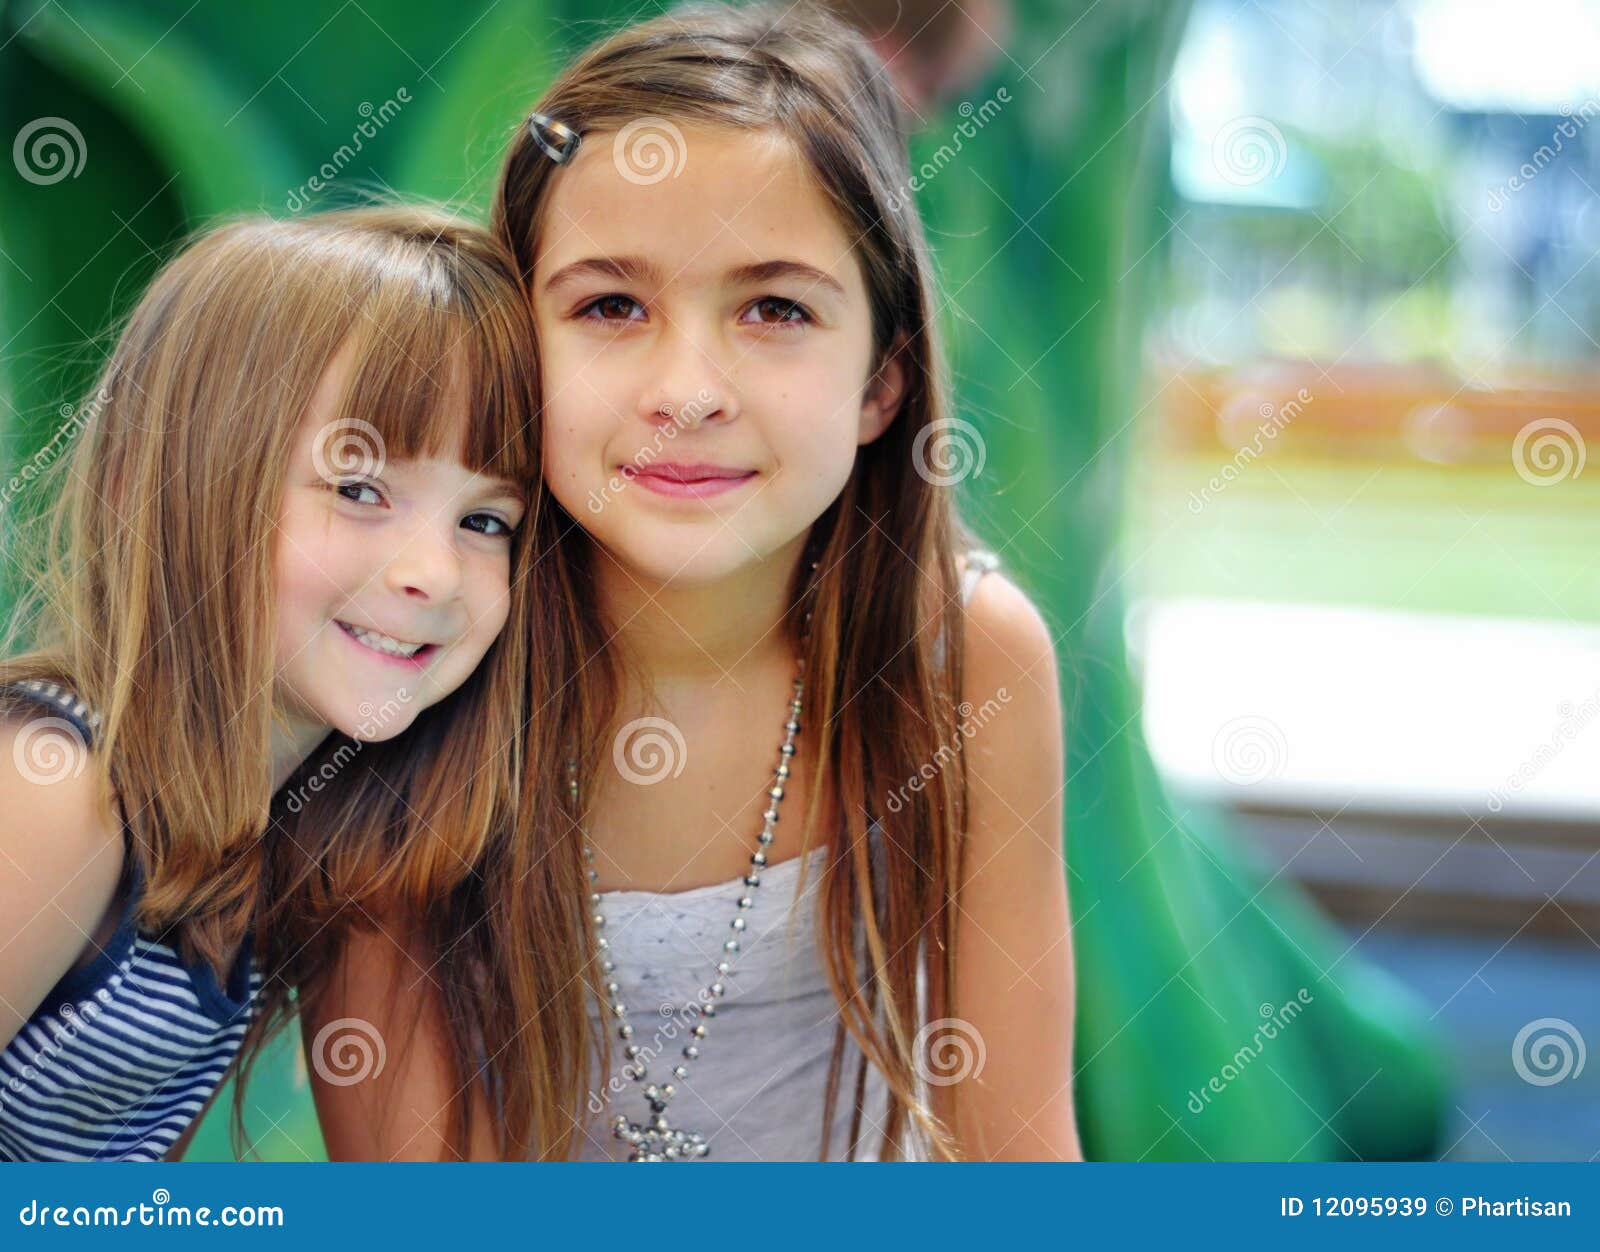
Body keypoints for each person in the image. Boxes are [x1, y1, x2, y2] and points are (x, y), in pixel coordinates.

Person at [0, 207, 543, 1161]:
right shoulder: (55, 790)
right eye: (359, 488)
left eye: (487, 520)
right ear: (167, 480)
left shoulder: (247, 848)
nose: (436, 573)